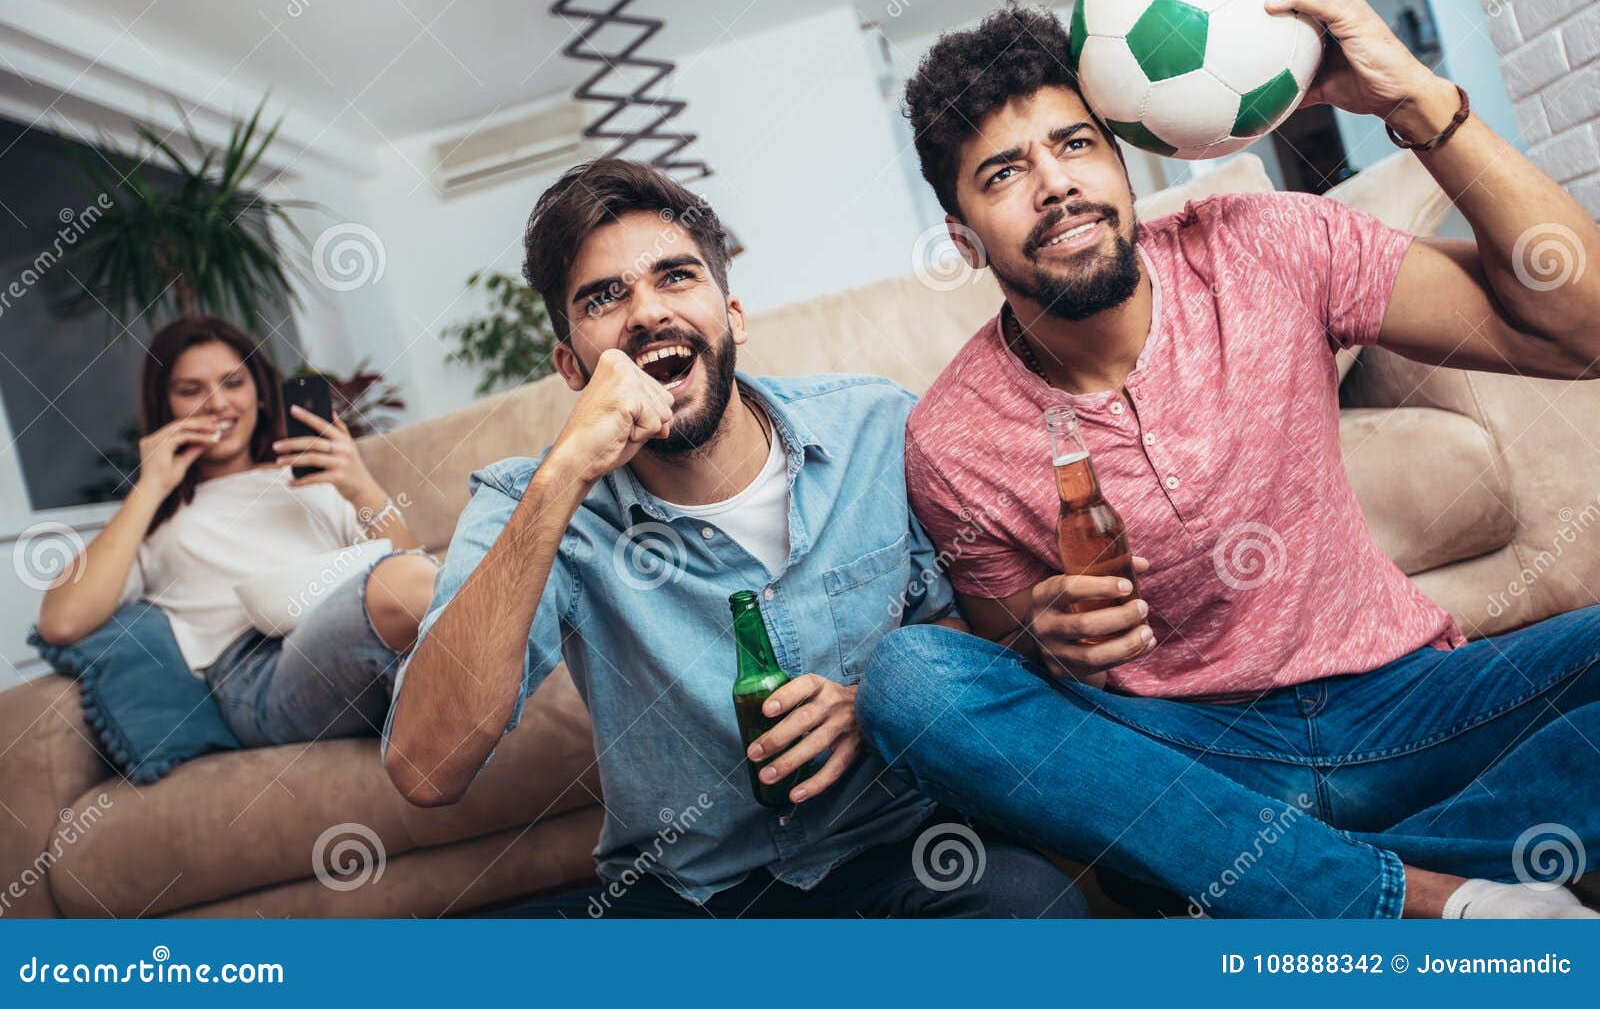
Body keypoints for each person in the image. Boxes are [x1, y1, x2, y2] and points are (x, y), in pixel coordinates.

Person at [857, 0, 1600, 920]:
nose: (1055, 184)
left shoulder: (1268, 244)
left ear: (1122, 162)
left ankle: (1297, 880)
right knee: (909, 680)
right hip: (1195, 759)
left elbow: (1581, 330)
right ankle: (1423, 898)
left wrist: (1416, 101)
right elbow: (1016, 681)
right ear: (961, 237)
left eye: (1074, 144)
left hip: (1411, 706)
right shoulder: (950, 439)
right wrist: (1043, 640)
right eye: (1003, 173)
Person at [382, 158, 1084, 919]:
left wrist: (871, 704)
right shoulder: (531, 501)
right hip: (696, 896)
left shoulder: (876, 427)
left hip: (905, 850)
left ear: (734, 316)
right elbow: (427, 769)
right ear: (571, 366)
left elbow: (980, 631)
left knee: (1034, 906)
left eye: (676, 276)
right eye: (603, 297)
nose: (646, 312)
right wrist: (561, 480)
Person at [37, 314, 438, 748]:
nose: (217, 403)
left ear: (260, 394)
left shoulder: (318, 481)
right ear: (165, 406)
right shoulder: (154, 520)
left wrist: (362, 488)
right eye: (191, 390)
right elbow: (62, 622)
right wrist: (150, 487)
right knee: (403, 584)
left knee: (435, 581)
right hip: (256, 676)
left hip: (355, 629)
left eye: (233, 383)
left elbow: (425, 582)